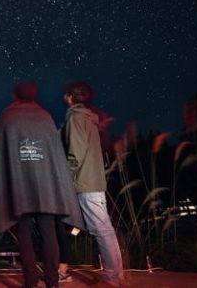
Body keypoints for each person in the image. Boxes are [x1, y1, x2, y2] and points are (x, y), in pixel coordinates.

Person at [0, 81, 84, 288]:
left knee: (24, 233)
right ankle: (52, 282)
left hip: (19, 185)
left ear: (16, 94)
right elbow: (55, 154)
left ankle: (31, 281)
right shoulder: (45, 117)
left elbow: (1, 153)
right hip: (46, 186)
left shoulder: (8, 117)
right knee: (49, 231)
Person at [62, 81, 124, 286]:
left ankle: (111, 278)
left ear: (70, 97)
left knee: (101, 229)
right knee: (102, 228)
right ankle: (116, 274)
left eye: (65, 95)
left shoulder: (75, 118)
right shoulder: (89, 118)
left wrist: (67, 179)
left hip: (85, 181)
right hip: (94, 179)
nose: (63, 98)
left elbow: (76, 155)